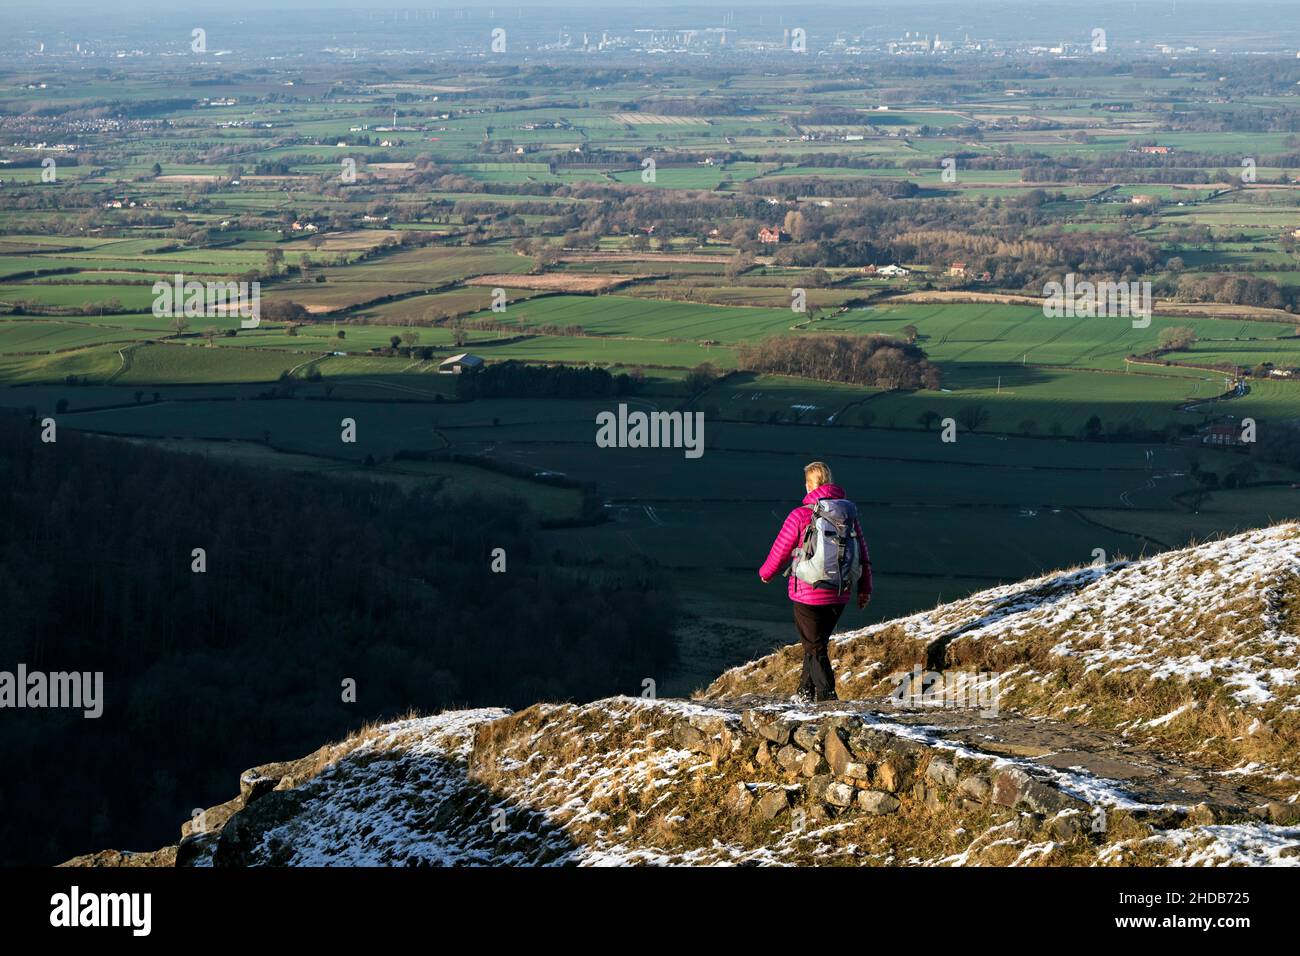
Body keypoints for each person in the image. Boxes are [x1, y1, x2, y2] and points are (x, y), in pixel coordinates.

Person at [758, 461, 872, 704]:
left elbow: (780, 550)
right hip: (840, 591)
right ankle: (804, 692)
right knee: (815, 643)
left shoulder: (800, 515)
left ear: (809, 485)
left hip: (807, 591)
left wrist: (766, 573)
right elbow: (863, 552)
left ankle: (827, 697)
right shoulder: (848, 515)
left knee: (815, 646)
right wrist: (864, 588)